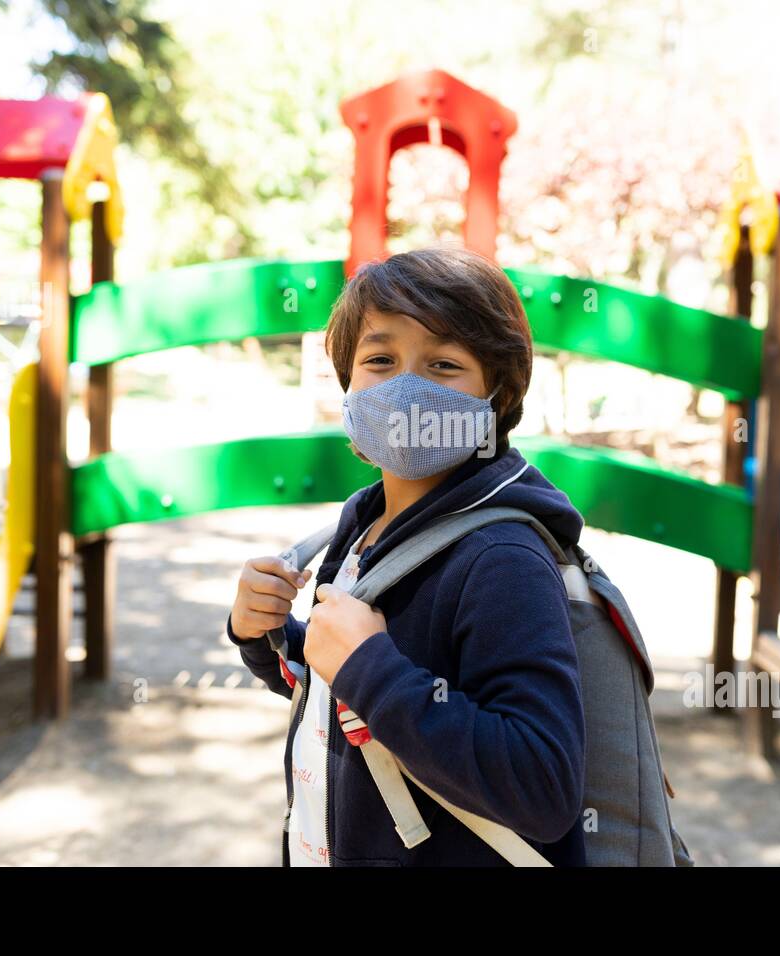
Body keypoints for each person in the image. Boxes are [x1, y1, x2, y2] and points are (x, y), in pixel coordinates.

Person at [227, 245, 587, 866]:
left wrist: (372, 666)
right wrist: (265, 635)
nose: (406, 391)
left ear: (496, 395)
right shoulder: (366, 527)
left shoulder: (502, 558)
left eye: (443, 364)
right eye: (380, 359)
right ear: (347, 383)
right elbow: (337, 696)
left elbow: (544, 788)